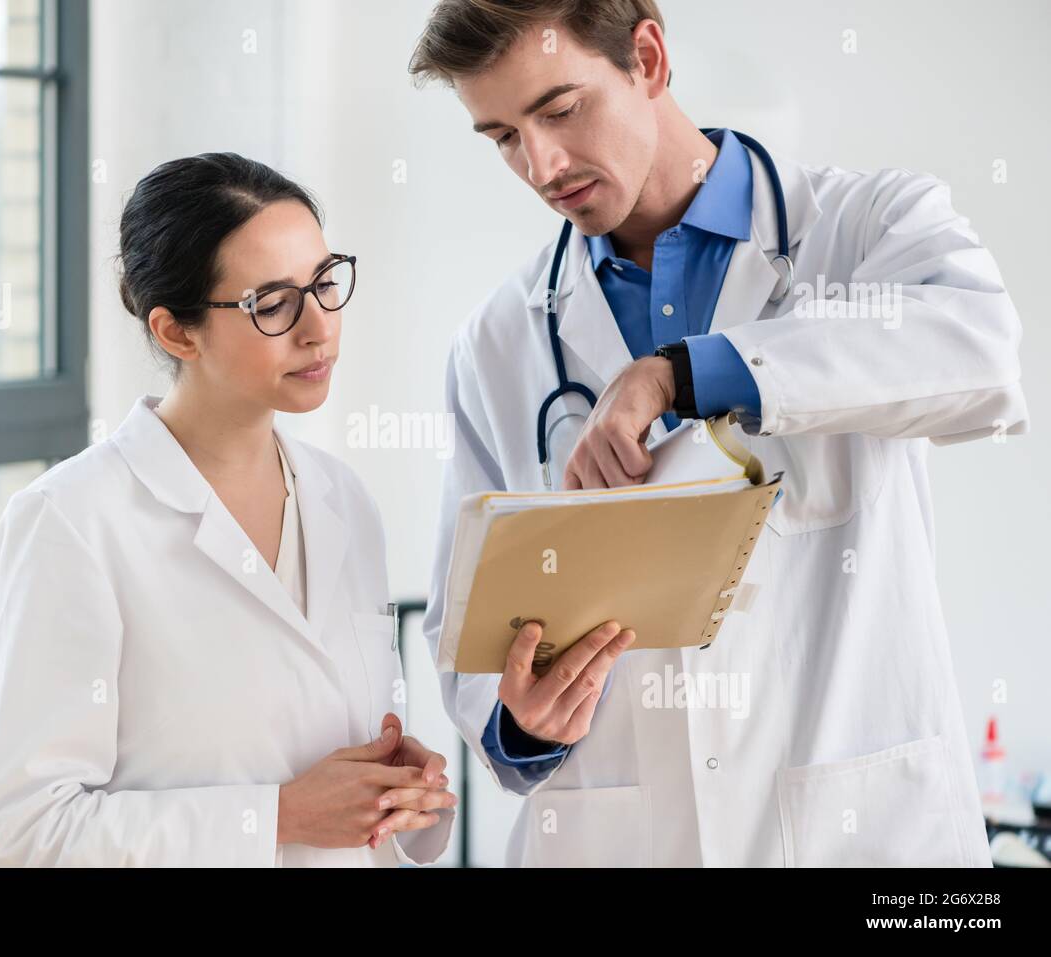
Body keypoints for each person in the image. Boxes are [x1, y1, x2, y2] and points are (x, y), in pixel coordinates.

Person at [410, 0, 1025, 866]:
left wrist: (683, 371)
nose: (540, 164)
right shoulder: (498, 343)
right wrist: (522, 722)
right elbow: (466, 636)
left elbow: (981, 353)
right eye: (503, 136)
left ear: (648, 58)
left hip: (861, 832)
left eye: (558, 109)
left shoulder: (863, 229)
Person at [0, 153, 456, 866]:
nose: (318, 327)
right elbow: (23, 835)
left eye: (324, 283)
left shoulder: (343, 498)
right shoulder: (71, 523)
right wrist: (278, 814)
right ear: (176, 333)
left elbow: (335, 782)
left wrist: (396, 794)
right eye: (273, 303)